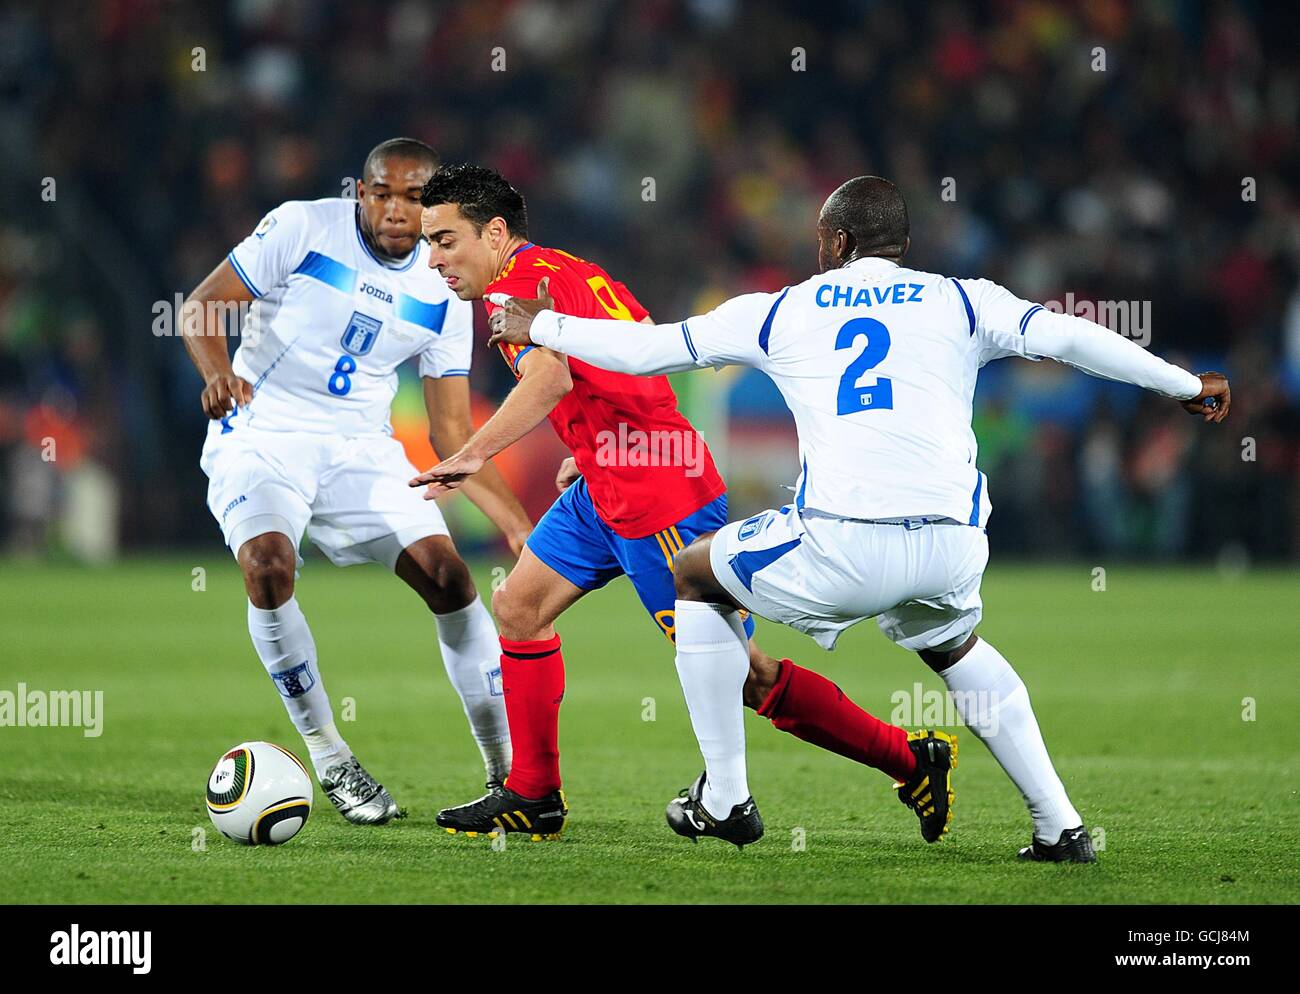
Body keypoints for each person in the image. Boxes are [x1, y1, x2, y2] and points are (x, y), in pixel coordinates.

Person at [486, 175, 1231, 860]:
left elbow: (646, 350)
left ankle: (724, 796)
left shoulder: (785, 309)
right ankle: (1060, 825)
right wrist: (1180, 382)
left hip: (842, 546)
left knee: (693, 571)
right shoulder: (964, 299)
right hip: (950, 547)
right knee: (956, 646)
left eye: (821, 240)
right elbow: (1072, 336)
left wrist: (543, 324)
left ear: (836, 244)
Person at [412, 165, 953, 845]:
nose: (433, 258)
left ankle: (911, 761)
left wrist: (474, 451)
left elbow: (550, 376)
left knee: (746, 677)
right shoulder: (569, 269)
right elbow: (637, 350)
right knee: (519, 608)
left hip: (656, 496)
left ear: (494, 233)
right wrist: (594, 438)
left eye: (446, 240)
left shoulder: (519, 291)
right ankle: (533, 795)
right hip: (606, 485)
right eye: (430, 242)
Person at [182, 139, 531, 824]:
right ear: (360, 193)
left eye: (413, 197)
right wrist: (218, 373)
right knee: (268, 565)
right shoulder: (301, 227)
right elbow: (202, 306)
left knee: (451, 580)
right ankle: (331, 757)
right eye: (382, 193)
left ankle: (505, 775)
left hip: (360, 452)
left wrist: (516, 523)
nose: (396, 209)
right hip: (263, 431)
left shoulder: (446, 289)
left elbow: (452, 432)